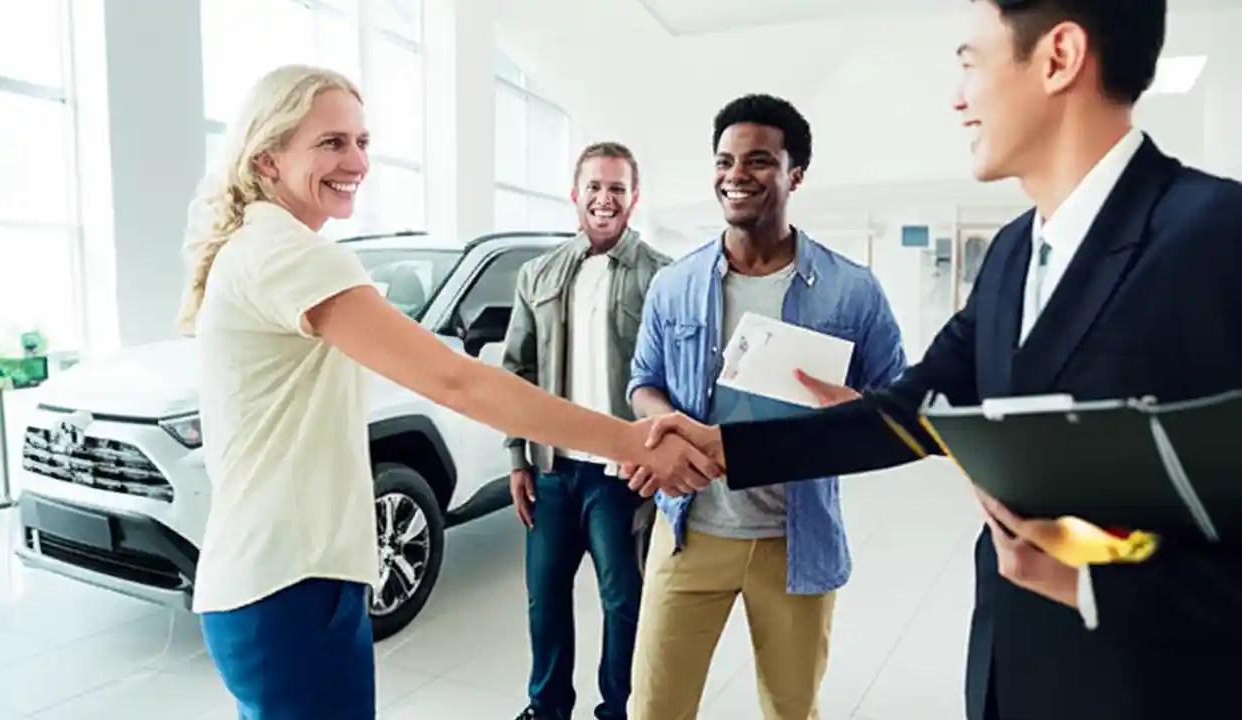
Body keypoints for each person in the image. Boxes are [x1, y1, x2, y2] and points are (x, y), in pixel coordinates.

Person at [636, 2, 1242, 719]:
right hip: (1009, 672)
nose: (958, 98)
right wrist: (725, 447)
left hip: (1148, 686)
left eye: (971, 63)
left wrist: (1091, 584)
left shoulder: (1214, 237)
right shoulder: (1014, 253)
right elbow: (908, 411)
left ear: (1059, 58)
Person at [178, 65, 718, 720]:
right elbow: (458, 379)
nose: (356, 161)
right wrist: (632, 440)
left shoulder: (260, 246)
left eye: (363, 141)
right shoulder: (289, 253)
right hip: (292, 582)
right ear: (268, 155)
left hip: (270, 579)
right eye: (331, 142)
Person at [624, 94, 908, 720]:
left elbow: (900, 403)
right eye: (725, 160)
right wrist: (665, 426)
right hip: (689, 533)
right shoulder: (676, 284)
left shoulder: (851, 288)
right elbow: (642, 380)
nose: (736, 175)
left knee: (790, 709)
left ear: (794, 174)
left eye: (757, 161)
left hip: (796, 539)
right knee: (653, 707)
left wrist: (856, 406)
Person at [501, 142, 670, 720]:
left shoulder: (660, 277)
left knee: (623, 600)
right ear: (575, 195)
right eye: (594, 187)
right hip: (552, 471)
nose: (605, 199)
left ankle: (619, 708)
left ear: (634, 199)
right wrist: (517, 457)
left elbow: (673, 379)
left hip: (620, 475)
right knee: (544, 599)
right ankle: (546, 707)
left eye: (617, 188)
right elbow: (516, 370)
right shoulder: (538, 273)